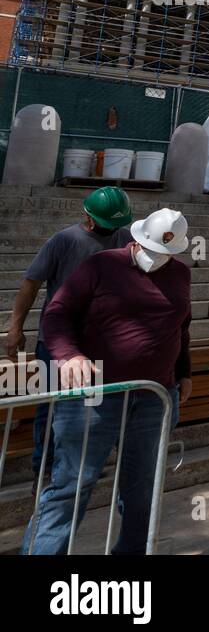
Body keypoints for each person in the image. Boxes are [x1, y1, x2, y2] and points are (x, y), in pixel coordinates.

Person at [22, 208, 194, 555]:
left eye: (165, 254)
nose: (155, 259)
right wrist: (69, 355)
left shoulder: (180, 275)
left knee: (142, 485)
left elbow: (181, 328)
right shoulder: (101, 266)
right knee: (72, 484)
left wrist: (184, 372)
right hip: (94, 395)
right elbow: (57, 313)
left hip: (154, 395)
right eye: (150, 249)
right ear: (136, 239)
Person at [4, 186, 135, 476]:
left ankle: (81, 465)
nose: (112, 231)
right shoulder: (63, 241)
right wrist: (15, 327)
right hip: (56, 342)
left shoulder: (125, 238)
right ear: (88, 218)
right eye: (106, 225)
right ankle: (46, 469)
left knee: (92, 407)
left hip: (98, 344)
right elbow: (31, 283)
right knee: (50, 408)